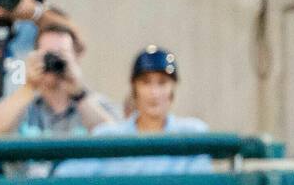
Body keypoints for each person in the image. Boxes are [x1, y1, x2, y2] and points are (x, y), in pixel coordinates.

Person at [0, 25, 119, 178]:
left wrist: (79, 94)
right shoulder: (19, 106)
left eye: (61, 54)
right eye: (47, 55)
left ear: (76, 58)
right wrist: (29, 87)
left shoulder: (95, 103)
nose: (53, 61)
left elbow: (118, 146)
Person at [53, 48, 213, 177]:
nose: (154, 92)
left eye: (162, 83)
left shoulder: (192, 133)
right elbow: (65, 174)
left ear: (173, 89)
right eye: (146, 82)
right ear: (134, 88)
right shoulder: (110, 137)